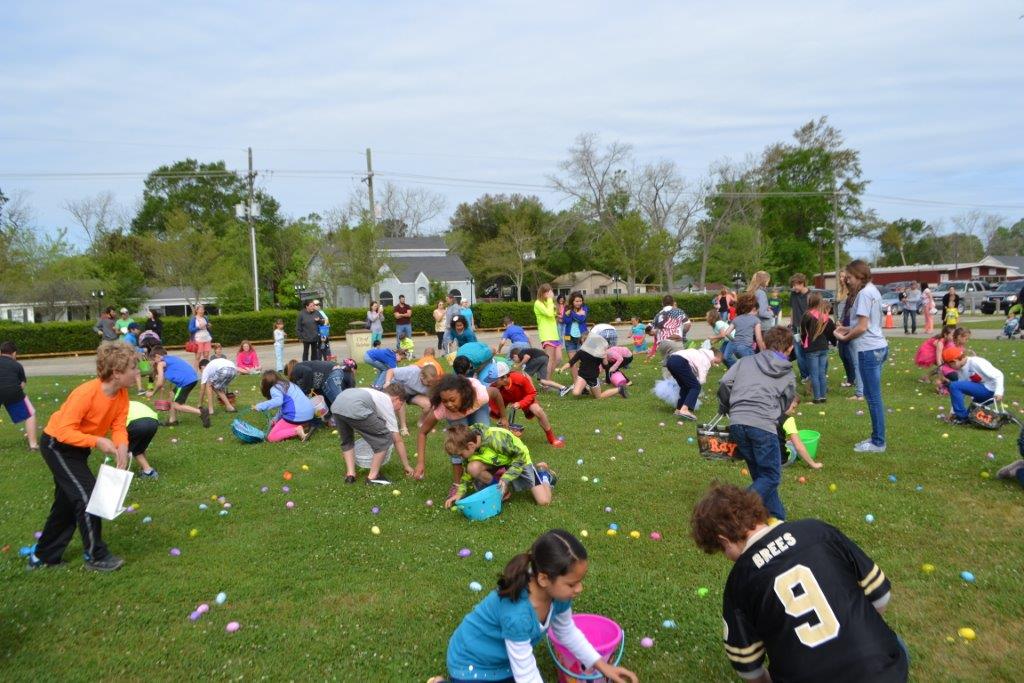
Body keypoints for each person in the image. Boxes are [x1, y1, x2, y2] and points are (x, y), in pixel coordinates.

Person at [690, 483, 909, 683]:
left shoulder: (738, 581)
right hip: (883, 673)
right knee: (896, 643)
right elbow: (881, 596)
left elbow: (748, 667)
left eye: (722, 550)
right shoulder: (817, 530)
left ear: (723, 540)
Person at [431, 529, 639, 683]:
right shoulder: (517, 615)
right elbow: (526, 674)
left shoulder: (559, 596)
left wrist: (602, 666)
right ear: (544, 579)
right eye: (572, 584)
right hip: (473, 663)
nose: (579, 589)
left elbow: (567, 632)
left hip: (506, 663)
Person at [28, 342, 137, 572]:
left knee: (68, 502)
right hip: (57, 446)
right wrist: (97, 441)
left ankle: (43, 557)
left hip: (78, 450)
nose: (137, 372)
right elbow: (64, 432)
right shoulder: (85, 393)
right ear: (117, 373)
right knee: (87, 497)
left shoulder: (121, 394)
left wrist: (122, 445)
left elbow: (119, 425)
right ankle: (96, 555)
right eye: (133, 368)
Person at [718, 326, 797, 520]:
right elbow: (786, 401)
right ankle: (736, 507)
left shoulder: (745, 361)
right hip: (763, 425)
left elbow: (725, 382)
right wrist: (773, 412)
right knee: (771, 476)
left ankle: (777, 518)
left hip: (737, 422)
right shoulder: (788, 373)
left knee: (762, 476)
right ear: (789, 348)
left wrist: (728, 406)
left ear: (765, 343)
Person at [834, 260, 889, 453]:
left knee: (873, 398)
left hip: (869, 350)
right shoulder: (873, 290)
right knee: (874, 396)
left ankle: (878, 442)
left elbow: (863, 327)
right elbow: (867, 324)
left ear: (859, 276)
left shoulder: (864, 294)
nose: (846, 281)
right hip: (879, 346)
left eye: (849, 277)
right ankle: (876, 437)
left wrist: (845, 337)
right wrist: (846, 328)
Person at [414, 374, 505, 486]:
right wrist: (420, 463)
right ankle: (457, 484)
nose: (449, 404)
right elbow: (422, 432)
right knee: (457, 443)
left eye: (452, 400)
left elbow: (495, 392)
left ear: (462, 394)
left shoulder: (480, 395)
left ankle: (494, 470)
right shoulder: (442, 409)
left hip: (477, 406)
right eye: (445, 401)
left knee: (484, 438)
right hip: (455, 416)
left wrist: (504, 417)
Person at [443, 424, 557, 508]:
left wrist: (506, 478)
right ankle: (501, 492)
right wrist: (459, 493)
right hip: (498, 460)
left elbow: (520, 457)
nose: (461, 458)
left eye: (461, 454)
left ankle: (543, 473)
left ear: (471, 445)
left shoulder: (496, 440)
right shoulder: (468, 443)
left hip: (518, 459)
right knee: (472, 468)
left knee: (543, 501)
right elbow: (467, 473)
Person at [330, 384, 414, 485]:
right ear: (396, 399)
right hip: (355, 407)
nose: (399, 409)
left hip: (337, 404)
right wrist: (407, 466)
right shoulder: (386, 402)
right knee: (385, 438)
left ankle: (350, 475)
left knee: (347, 440)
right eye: (401, 404)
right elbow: (397, 439)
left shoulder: (375, 393)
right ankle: (372, 477)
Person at [488, 361, 565, 447]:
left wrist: (520, 403)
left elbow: (532, 393)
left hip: (524, 397)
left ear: (504, 377)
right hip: (504, 398)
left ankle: (552, 438)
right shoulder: (495, 386)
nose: (492, 382)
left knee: (538, 411)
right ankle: (501, 438)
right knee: (491, 412)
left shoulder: (519, 379)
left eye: (494, 380)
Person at [146, 346, 209, 428]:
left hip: (185, 382)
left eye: (154, 360)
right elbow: (164, 379)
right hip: (192, 378)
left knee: (177, 405)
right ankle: (172, 420)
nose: (154, 362)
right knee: (172, 395)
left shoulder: (160, 364)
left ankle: (201, 412)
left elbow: (160, 382)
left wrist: (152, 393)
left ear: (157, 356)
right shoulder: (171, 358)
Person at [942, 347, 1005, 425]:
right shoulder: (961, 369)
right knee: (971, 416)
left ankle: (961, 418)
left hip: (990, 391)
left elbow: (999, 375)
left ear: (955, 361)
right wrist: (952, 412)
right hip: (981, 393)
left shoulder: (976, 362)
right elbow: (958, 393)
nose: (951, 367)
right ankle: (963, 417)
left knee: (954, 385)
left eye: (950, 365)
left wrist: (999, 393)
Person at [252, 370, 317, 443]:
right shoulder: (288, 384)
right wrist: (276, 419)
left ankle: (296, 430)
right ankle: (304, 427)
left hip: (296, 416)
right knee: (280, 424)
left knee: (271, 437)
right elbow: (283, 408)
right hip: (309, 415)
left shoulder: (274, 388)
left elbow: (278, 401)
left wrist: (260, 406)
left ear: (266, 385)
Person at [666, 345, 723, 421]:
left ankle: (678, 410)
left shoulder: (701, 353)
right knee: (696, 387)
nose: (716, 365)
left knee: (685, 386)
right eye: (716, 362)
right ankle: (684, 410)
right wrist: (700, 383)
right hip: (680, 361)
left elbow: (693, 372)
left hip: (671, 361)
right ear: (714, 356)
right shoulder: (706, 358)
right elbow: (702, 376)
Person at [0, 340, 39, 450]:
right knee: (30, 415)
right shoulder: (17, 365)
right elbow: (22, 384)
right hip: (12, 391)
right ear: (14, 353)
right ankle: (33, 445)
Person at [384, 363, 440, 435]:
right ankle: (403, 427)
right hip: (398, 390)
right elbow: (391, 371)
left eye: (432, 382)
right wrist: (387, 382)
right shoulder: (412, 371)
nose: (430, 384)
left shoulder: (432, 383)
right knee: (400, 400)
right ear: (422, 376)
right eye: (429, 382)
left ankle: (421, 423)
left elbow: (435, 400)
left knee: (429, 404)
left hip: (412, 394)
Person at [800, 293, 837, 403]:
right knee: (822, 373)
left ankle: (816, 398)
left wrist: (803, 343)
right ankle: (823, 397)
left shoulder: (807, 315)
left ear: (809, 302)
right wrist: (834, 343)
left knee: (814, 374)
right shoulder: (826, 317)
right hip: (824, 347)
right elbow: (832, 333)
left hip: (811, 348)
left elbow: (803, 333)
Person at [568, 334, 623, 400]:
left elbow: (605, 367)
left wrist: (604, 358)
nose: (583, 345)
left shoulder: (598, 353)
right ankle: (584, 388)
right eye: (582, 343)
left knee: (599, 397)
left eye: (585, 342)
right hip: (583, 376)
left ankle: (619, 389)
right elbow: (572, 362)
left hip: (593, 378)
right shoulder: (581, 352)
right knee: (575, 393)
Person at [835, 271, 863, 399]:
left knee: (855, 360)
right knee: (844, 354)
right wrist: (840, 322)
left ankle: (859, 390)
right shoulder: (847, 294)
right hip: (845, 327)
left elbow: (858, 319)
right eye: (841, 277)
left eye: (845, 277)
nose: (843, 280)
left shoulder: (858, 296)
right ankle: (854, 381)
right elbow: (845, 311)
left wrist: (847, 329)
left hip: (853, 330)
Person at [287, 359, 354, 408]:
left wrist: (307, 390)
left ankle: (353, 415)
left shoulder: (296, 368)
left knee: (338, 402)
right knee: (332, 402)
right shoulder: (306, 377)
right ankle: (331, 418)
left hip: (332, 372)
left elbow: (308, 371)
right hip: (330, 375)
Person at [722, 293, 764, 368]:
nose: (757, 314)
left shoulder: (736, 319)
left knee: (745, 366)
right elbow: (758, 338)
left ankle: (737, 372)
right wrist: (762, 351)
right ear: (754, 309)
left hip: (735, 349)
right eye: (757, 312)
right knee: (753, 367)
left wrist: (734, 340)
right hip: (746, 348)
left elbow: (727, 333)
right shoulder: (756, 320)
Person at [780, 397, 823, 469]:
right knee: (793, 446)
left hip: (762, 459)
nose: (793, 411)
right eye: (793, 407)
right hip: (779, 461)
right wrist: (813, 464)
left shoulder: (766, 415)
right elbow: (798, 446)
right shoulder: (788, 420)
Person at [534, 284, 562, 381]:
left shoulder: (549, 303)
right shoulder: (538, 303)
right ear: (541, 293)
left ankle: (546, 379)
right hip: (546, 334)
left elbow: (553, 316)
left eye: (550, 291)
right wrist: (550, 300)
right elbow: (549, 314)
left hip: (555, 334)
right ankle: (546, 381)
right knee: (549, 360)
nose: (549, 294)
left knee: (558, 359)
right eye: (546, 292)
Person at [126, 400, 161, 479]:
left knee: (128, 449)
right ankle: (144, 467)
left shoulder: (116, 407)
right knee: (140, 447)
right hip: (153, 422)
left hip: (136, 424)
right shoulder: (132, 402)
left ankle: (148, 471)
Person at [788, 273, 810, 384]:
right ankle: (804, 376)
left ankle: (812, 375)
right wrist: (791, 324)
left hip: (808, 328)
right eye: (793, 285)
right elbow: (792, 310)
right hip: (796, 328)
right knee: (798, 353)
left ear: (802, 283)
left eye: (795, 285)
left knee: (808, 353)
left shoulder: (810, 295)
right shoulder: (793, 294)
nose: (794, 287)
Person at [561, 291, 589, 360]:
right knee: (572, 362)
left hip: (582, 338)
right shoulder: (567, 308)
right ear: (572, 301)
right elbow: (565, 321)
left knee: (582, 361)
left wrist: (571, 313)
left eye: (580, 301)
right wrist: (577, 314)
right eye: (576, 301)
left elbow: (581, 319)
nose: (579, 303)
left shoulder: (584, 308)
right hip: (569, 338)